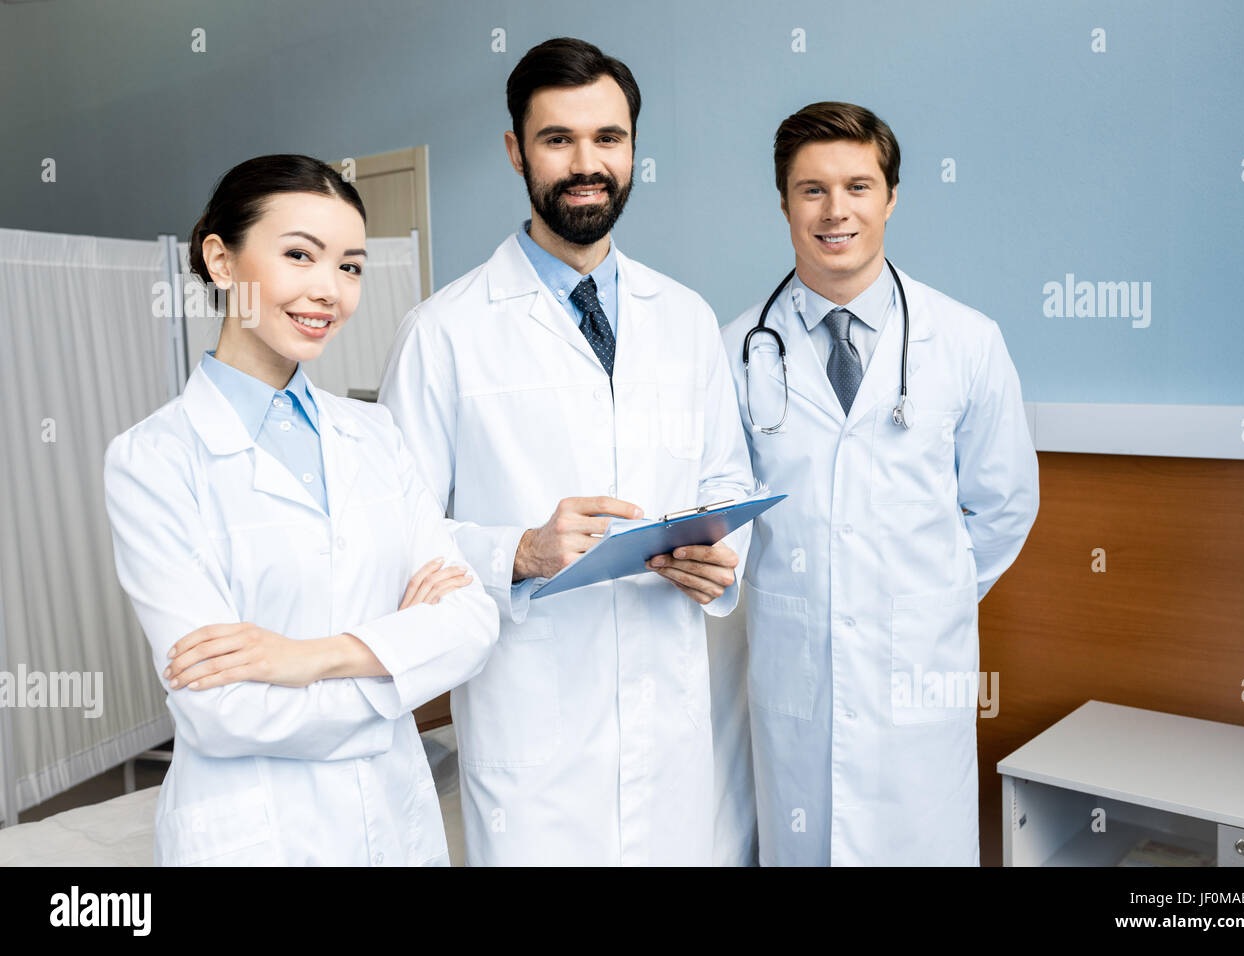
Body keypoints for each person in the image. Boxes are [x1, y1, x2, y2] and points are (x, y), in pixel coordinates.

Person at [378, 38, 755, 866]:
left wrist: (723, 549)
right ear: (517, 151)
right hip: (533, 737)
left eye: (608, 139)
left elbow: (726, 474)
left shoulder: (686, 318)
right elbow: (394, 536)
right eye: (558, 140)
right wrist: (518, 549)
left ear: (632, 149)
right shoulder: (444, 334)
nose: (588, 164)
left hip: (668, 727)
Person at [102, 154, 498, 866]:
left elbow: (471, 625)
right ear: (221, 261)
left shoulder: (374, 434)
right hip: (255, 834)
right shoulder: (153, 460)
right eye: (298, 255)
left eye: (349, 267)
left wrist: (308, 658)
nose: (330, 291)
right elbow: (220, 710)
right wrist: (399, 660)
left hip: (393, 818)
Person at [720, 103, 1039, 865]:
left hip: (918, 676)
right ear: (785, 203)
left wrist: (930, 593)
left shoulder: (965, 340)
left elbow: (1004, 504)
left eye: (858, 186)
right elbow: (724, 513)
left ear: (891, 197)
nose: (837, 211)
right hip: (793, 679)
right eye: (812, 190)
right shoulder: (734, 351)